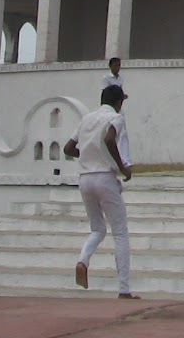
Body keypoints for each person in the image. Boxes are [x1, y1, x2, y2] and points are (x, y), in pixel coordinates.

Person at [63, 84, 136, 299]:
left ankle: (83, 260)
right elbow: (109, 139)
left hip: (85, 179)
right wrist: (122, 167)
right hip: (105, 177)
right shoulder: (116, 118)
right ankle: (124, 289)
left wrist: (89, 154)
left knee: (97, 229)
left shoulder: (86, 119)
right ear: (118, 102)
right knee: (120, 233)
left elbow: (68, 148)